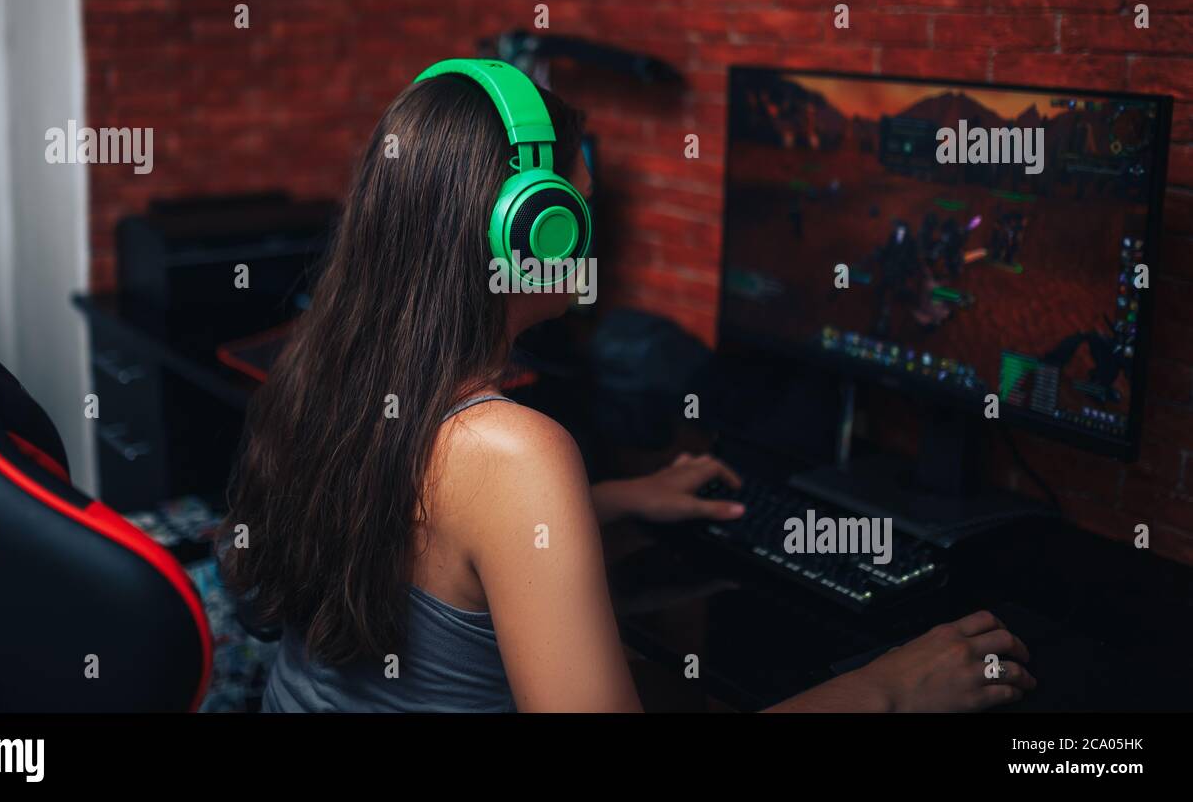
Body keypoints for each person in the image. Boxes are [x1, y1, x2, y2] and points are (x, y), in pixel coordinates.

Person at [218, 70, 1036, 712]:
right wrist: (890, 689)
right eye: (579, 204)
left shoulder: (327, 362)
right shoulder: (513, 452)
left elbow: (426, 541)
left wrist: (607, 502)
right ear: (535, 225)